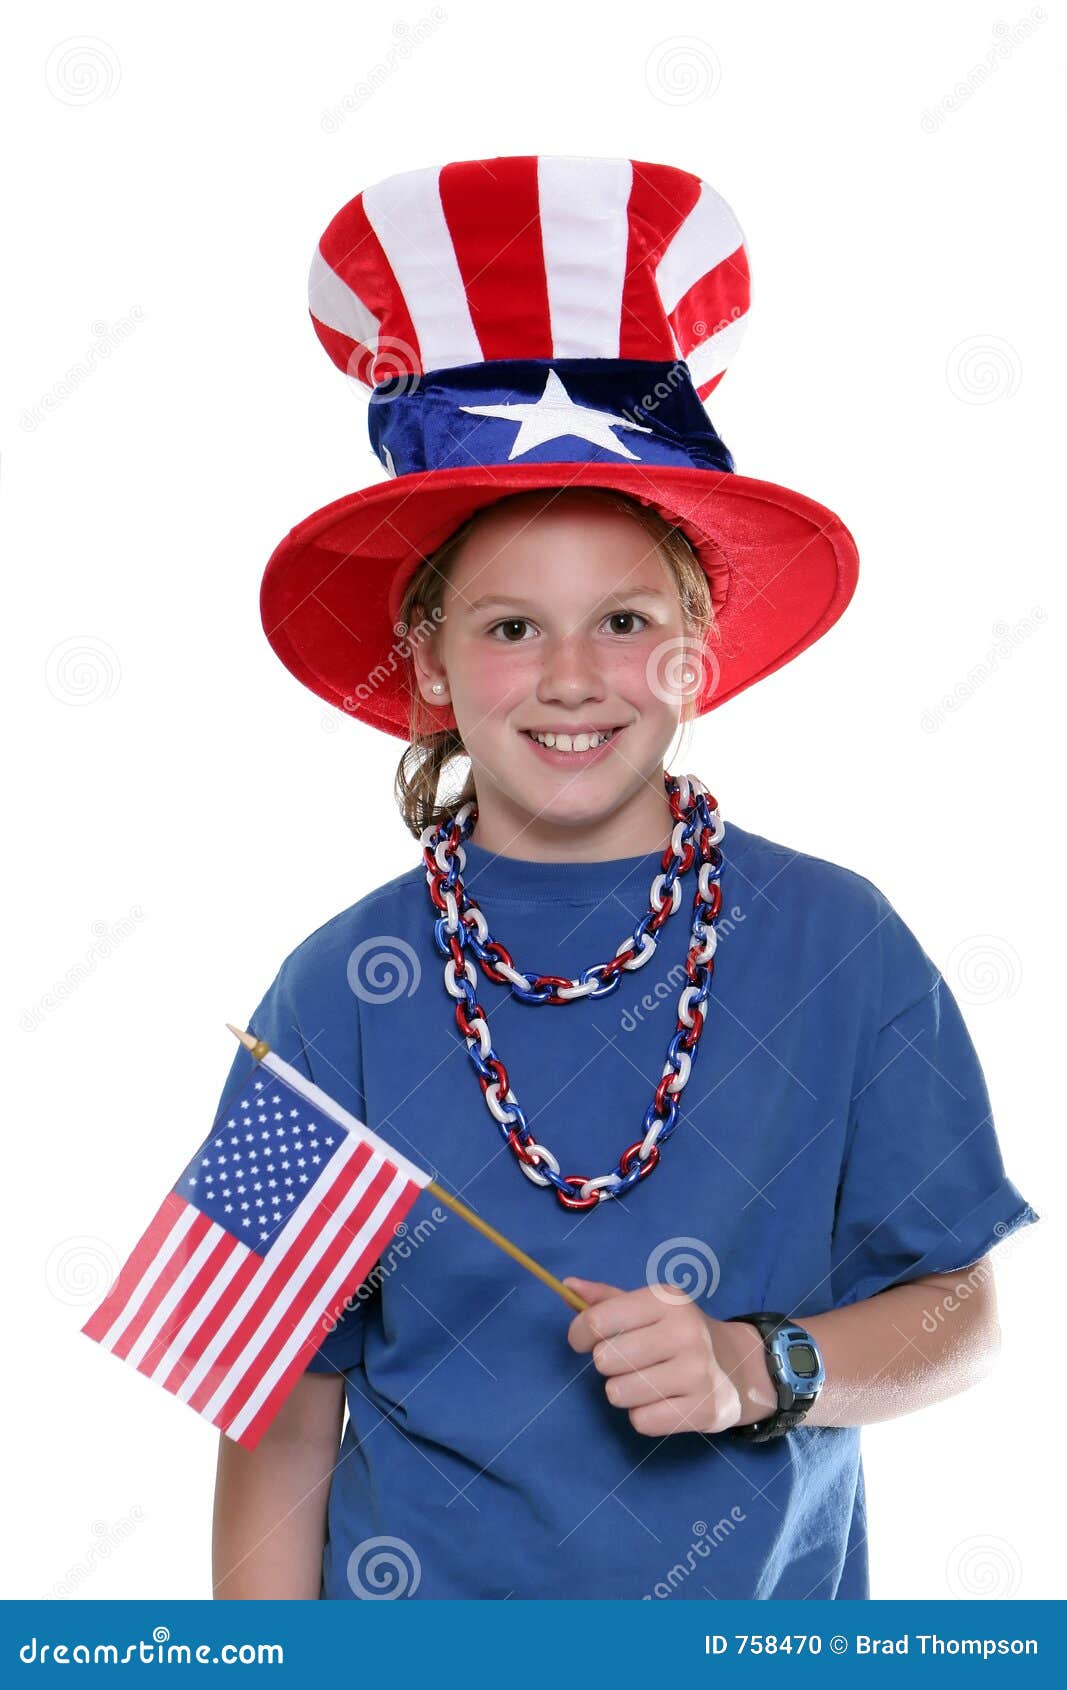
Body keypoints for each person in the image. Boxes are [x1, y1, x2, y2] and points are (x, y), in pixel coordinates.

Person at [210, 155, 1038, 1600]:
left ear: (696, 654)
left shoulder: (839, 942)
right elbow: (276, 1409)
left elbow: (963, 1314)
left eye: (625, 620)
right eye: (510, 627)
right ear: (430, 664)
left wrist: (756, 1366)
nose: (572, 676)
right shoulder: (334, 987)